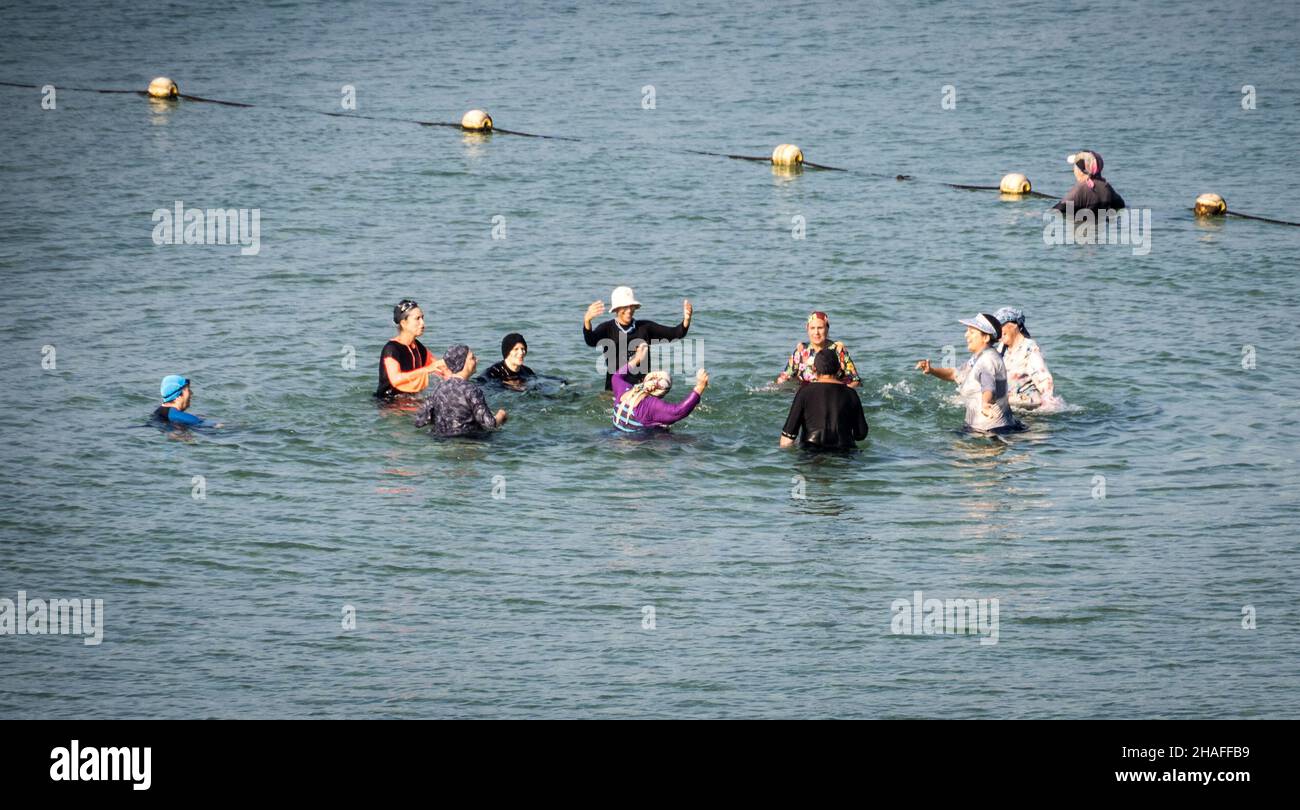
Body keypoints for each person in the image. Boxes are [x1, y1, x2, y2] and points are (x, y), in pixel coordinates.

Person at [915, 313, 1024, 434]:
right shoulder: (979, 358)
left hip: (991, 430)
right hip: (987, 427)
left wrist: (985, 404)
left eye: (972, 332)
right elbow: (954, 374)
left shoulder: (987, 359)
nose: (966, 335)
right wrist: (932, 370)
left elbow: (988, 385)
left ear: (986, 338)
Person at [583, 286, 692, 390]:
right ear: (616, 309)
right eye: (624, 307)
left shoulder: (645, 327)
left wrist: (686, 320)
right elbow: (591, 341)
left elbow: (675, 334)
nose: (629, 310)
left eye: (631, 306)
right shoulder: (607, 328)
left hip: (641, 387)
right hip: (614, 388)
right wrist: (587, 321)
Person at [779, 348, 869, 449]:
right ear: (839, 369)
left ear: (813, 369)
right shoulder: (851, 394)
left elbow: (787, 438)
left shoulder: (804, 392)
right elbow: (861, 434)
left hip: (812, 455)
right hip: (844, 455)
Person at [414, 345, 507, 436]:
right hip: (468, 440)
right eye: (472, 358)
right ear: (462, 363)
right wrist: (501, 415)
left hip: (441, 440)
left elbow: (420, 421)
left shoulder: (437, 388)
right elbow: (490, 424)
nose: (477, 360)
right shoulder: (471, 390)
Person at [611, 343, 707, 432]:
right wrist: (699, 387)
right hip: (635, 442)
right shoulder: (651, 406)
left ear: (645, 379)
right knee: (665, 431)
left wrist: (637, 359)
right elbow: (678, 412)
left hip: (613, 435)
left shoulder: (624, 390)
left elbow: (616, 376)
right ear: (662, 393)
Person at [376, 299, 450, 400]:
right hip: (389, 403)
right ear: (403, 323)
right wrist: (427, 369)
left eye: (423, 318)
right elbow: (396, 379)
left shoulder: (418, 347)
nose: (422, 323)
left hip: (410, 400)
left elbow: (439, 367)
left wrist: (458, 376)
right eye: (417, 319)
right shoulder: (391, 349)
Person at [994, 307, 1063, 410]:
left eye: (1001, 325)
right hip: (1008, 408)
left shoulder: (1029, 349)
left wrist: (1048, 404)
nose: (998, 331)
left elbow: (1045, 381)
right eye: (996, 327)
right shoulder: (1003, 347)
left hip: (1028, 413)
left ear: (1015, 325)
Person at [775, 311, 861, 388]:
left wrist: (842, 393)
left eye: (820, 328)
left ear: (827, 329)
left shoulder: (838, 350)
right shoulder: (800, 352)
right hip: (807, 397)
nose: (816, 332)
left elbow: (855, 380)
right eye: (812, 328)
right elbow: (784, 377)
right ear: (807, 329)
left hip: (833, 395)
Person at [1051, 150, 1125, 216]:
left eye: (1075, 167)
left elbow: (1057, 210)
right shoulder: (1107, 187)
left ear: (1080, 171)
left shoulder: (1080, 189)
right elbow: (1121, 205)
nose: (1073, 170)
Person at [151, 375, 215, 427]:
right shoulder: (189, 419)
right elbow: (214, 429)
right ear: (178, 395)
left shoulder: (158, 412)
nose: (191, 393)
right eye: (188, 390)